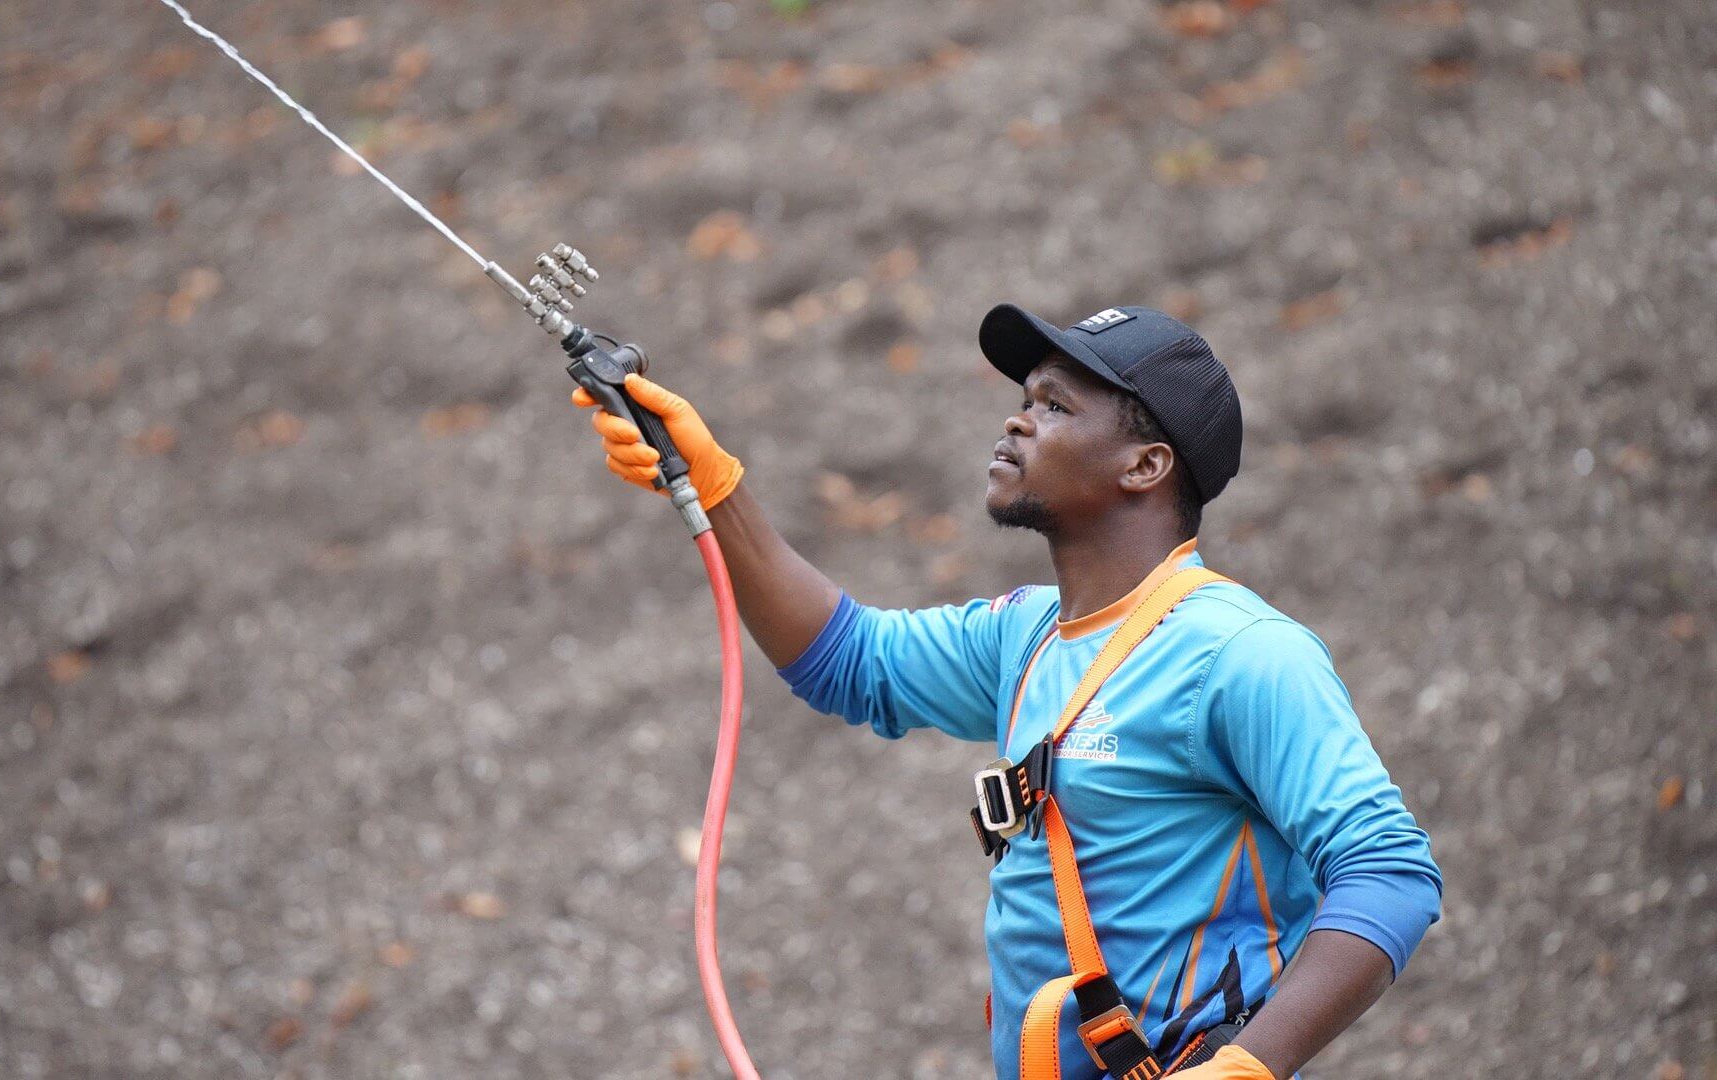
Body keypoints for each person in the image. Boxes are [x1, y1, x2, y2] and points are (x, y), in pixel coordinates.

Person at [571, 303, 1442, 1080]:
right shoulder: (1022, 634)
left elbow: (1391, 874)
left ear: (1145, 465)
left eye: (1055, 406)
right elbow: (849, 661)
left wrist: (1248, 1068)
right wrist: (712, 485)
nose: (1017, 420)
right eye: (1027, 398)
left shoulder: (1240, 655)